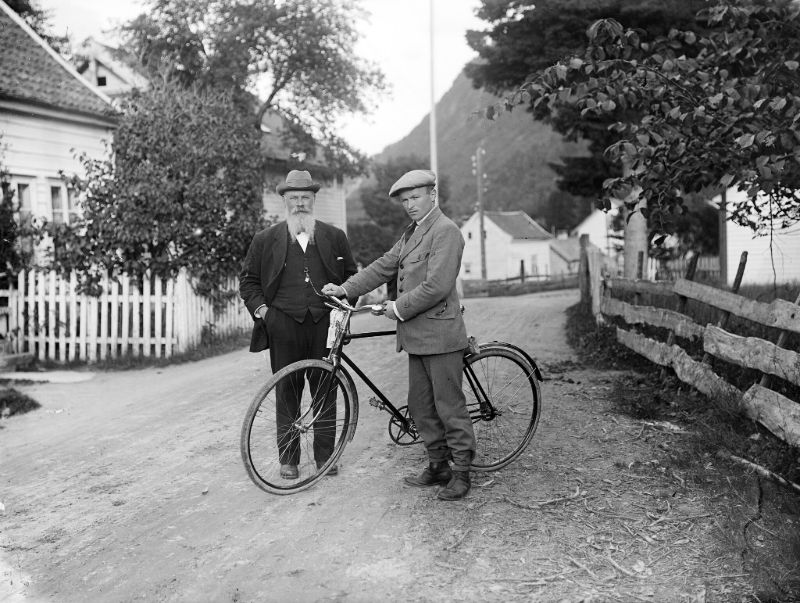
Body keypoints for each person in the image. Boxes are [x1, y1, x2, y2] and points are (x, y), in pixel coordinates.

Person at [321, 169, 476, 501]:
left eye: (415, 197)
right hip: (416, 336)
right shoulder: (412, 233)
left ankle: (462, 472)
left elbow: (436, 287)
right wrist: (346, 289)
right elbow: (383, 266)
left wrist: (398, 307)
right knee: (421, 407)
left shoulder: (446, 232)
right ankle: (439, 466)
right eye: (405, 200)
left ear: (432, 196)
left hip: (441, 334)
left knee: (449, 406)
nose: (410, 205)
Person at [239, 169, 357, 480]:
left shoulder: (335, 237)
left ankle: (325, 457)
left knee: (325, 390)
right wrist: (265, 313)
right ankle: (288, 458)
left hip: (324, 325)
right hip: (283, 326)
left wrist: (341, 314)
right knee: (287, 393)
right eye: (294, 198)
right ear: (285, 201)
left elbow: (352, 280)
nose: (300, 204)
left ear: (314, 200)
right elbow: (249, 282)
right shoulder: (265, 240)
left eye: (305, 197)